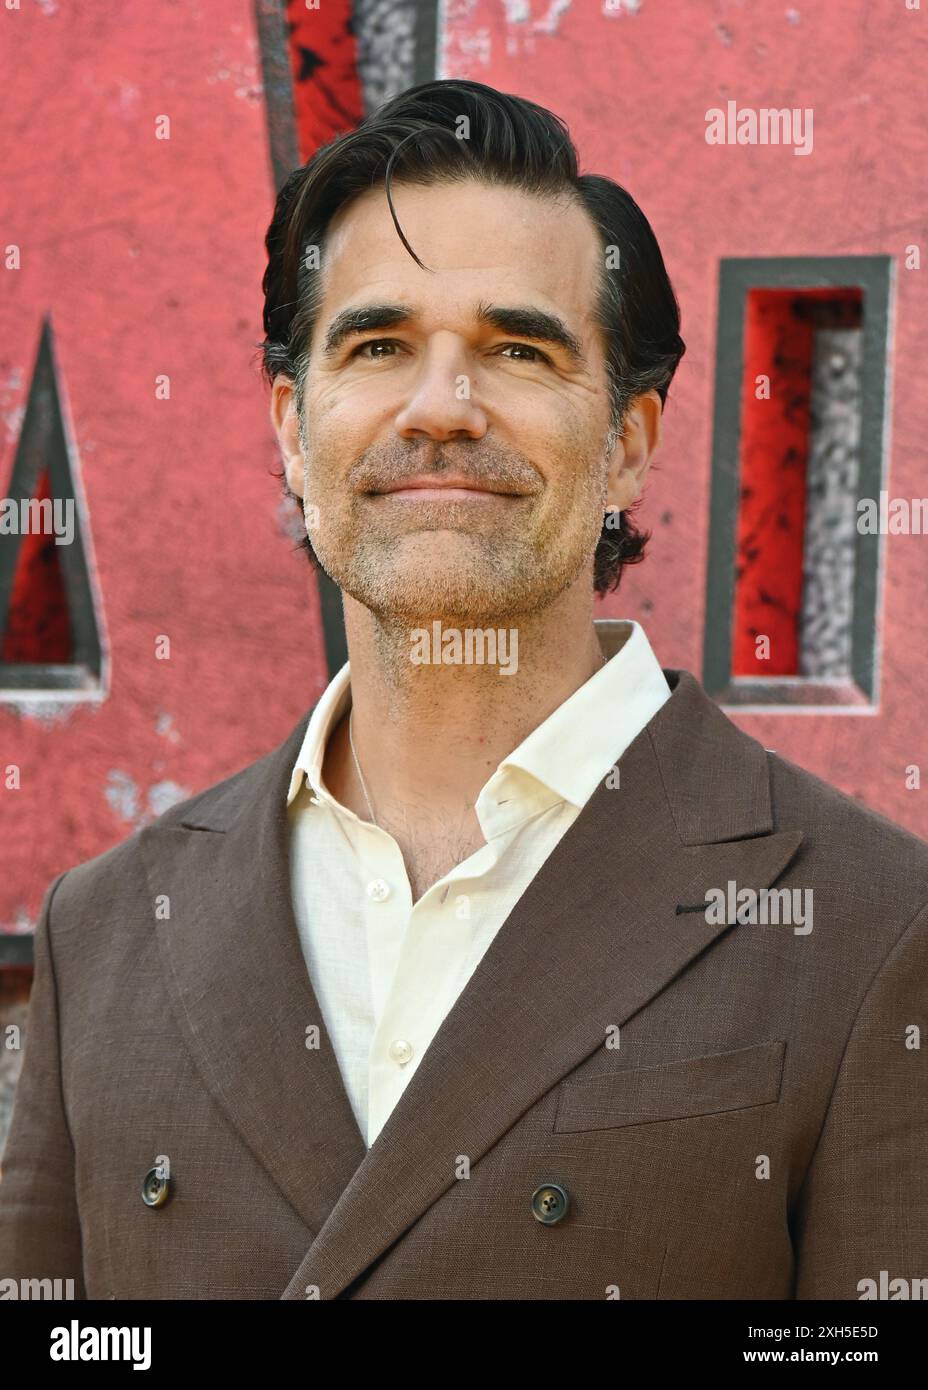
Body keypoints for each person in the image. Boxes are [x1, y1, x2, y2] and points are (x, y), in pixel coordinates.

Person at [1, 79, 925, 1301]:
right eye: (378, 345)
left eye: (518, 349)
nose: (441, 409)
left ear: (629, 442)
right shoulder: (106, 927)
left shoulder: (872, 924)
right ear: (293, 426)